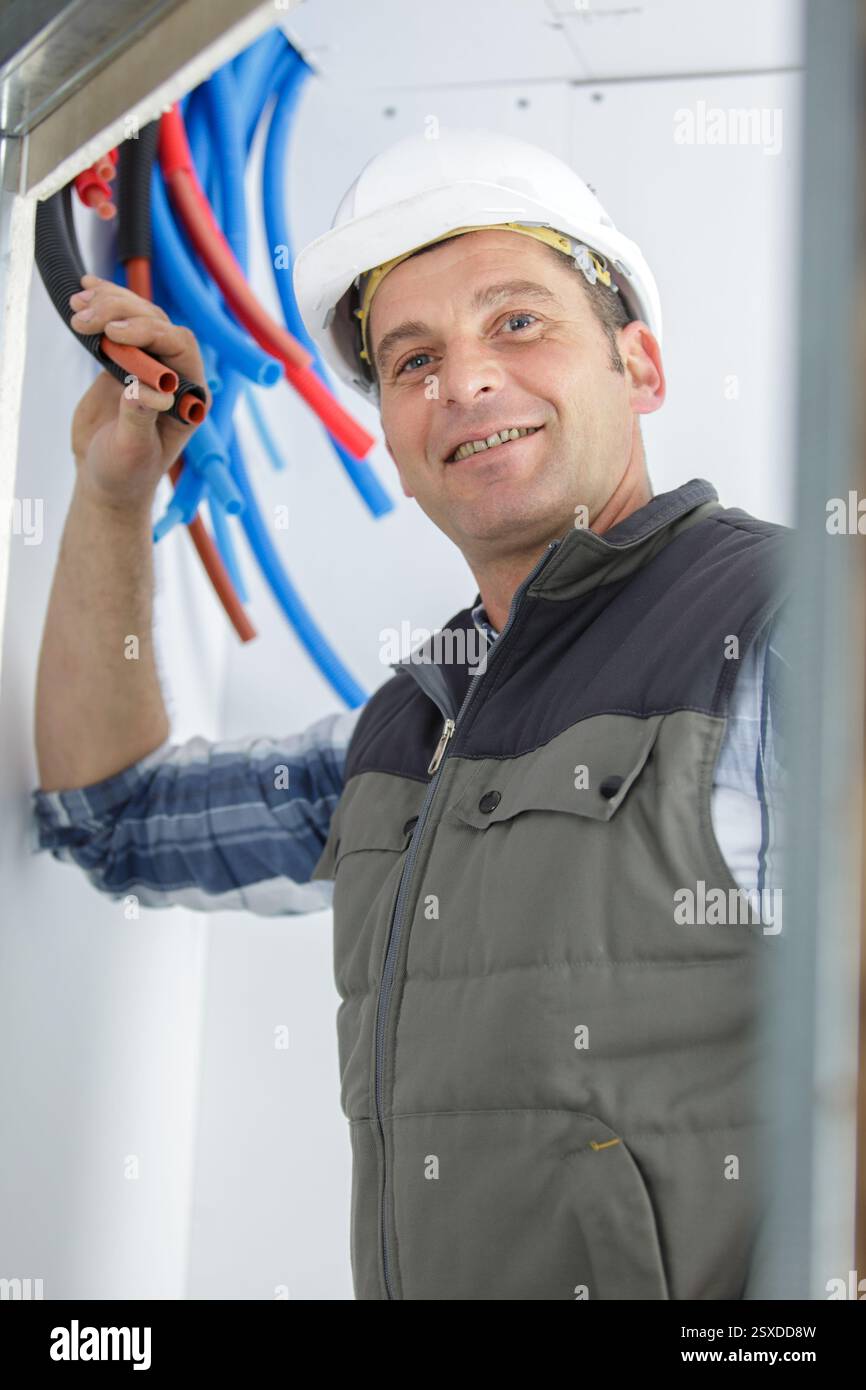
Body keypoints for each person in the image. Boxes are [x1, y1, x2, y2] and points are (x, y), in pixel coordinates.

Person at [32, 128, 790, 1300]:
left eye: (517, 322)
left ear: (636, 364)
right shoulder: (411, 728)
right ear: (392, 431)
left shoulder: (789, 626)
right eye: (410, 358)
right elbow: (114, 817)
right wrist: (113, 493)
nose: (465, 381)